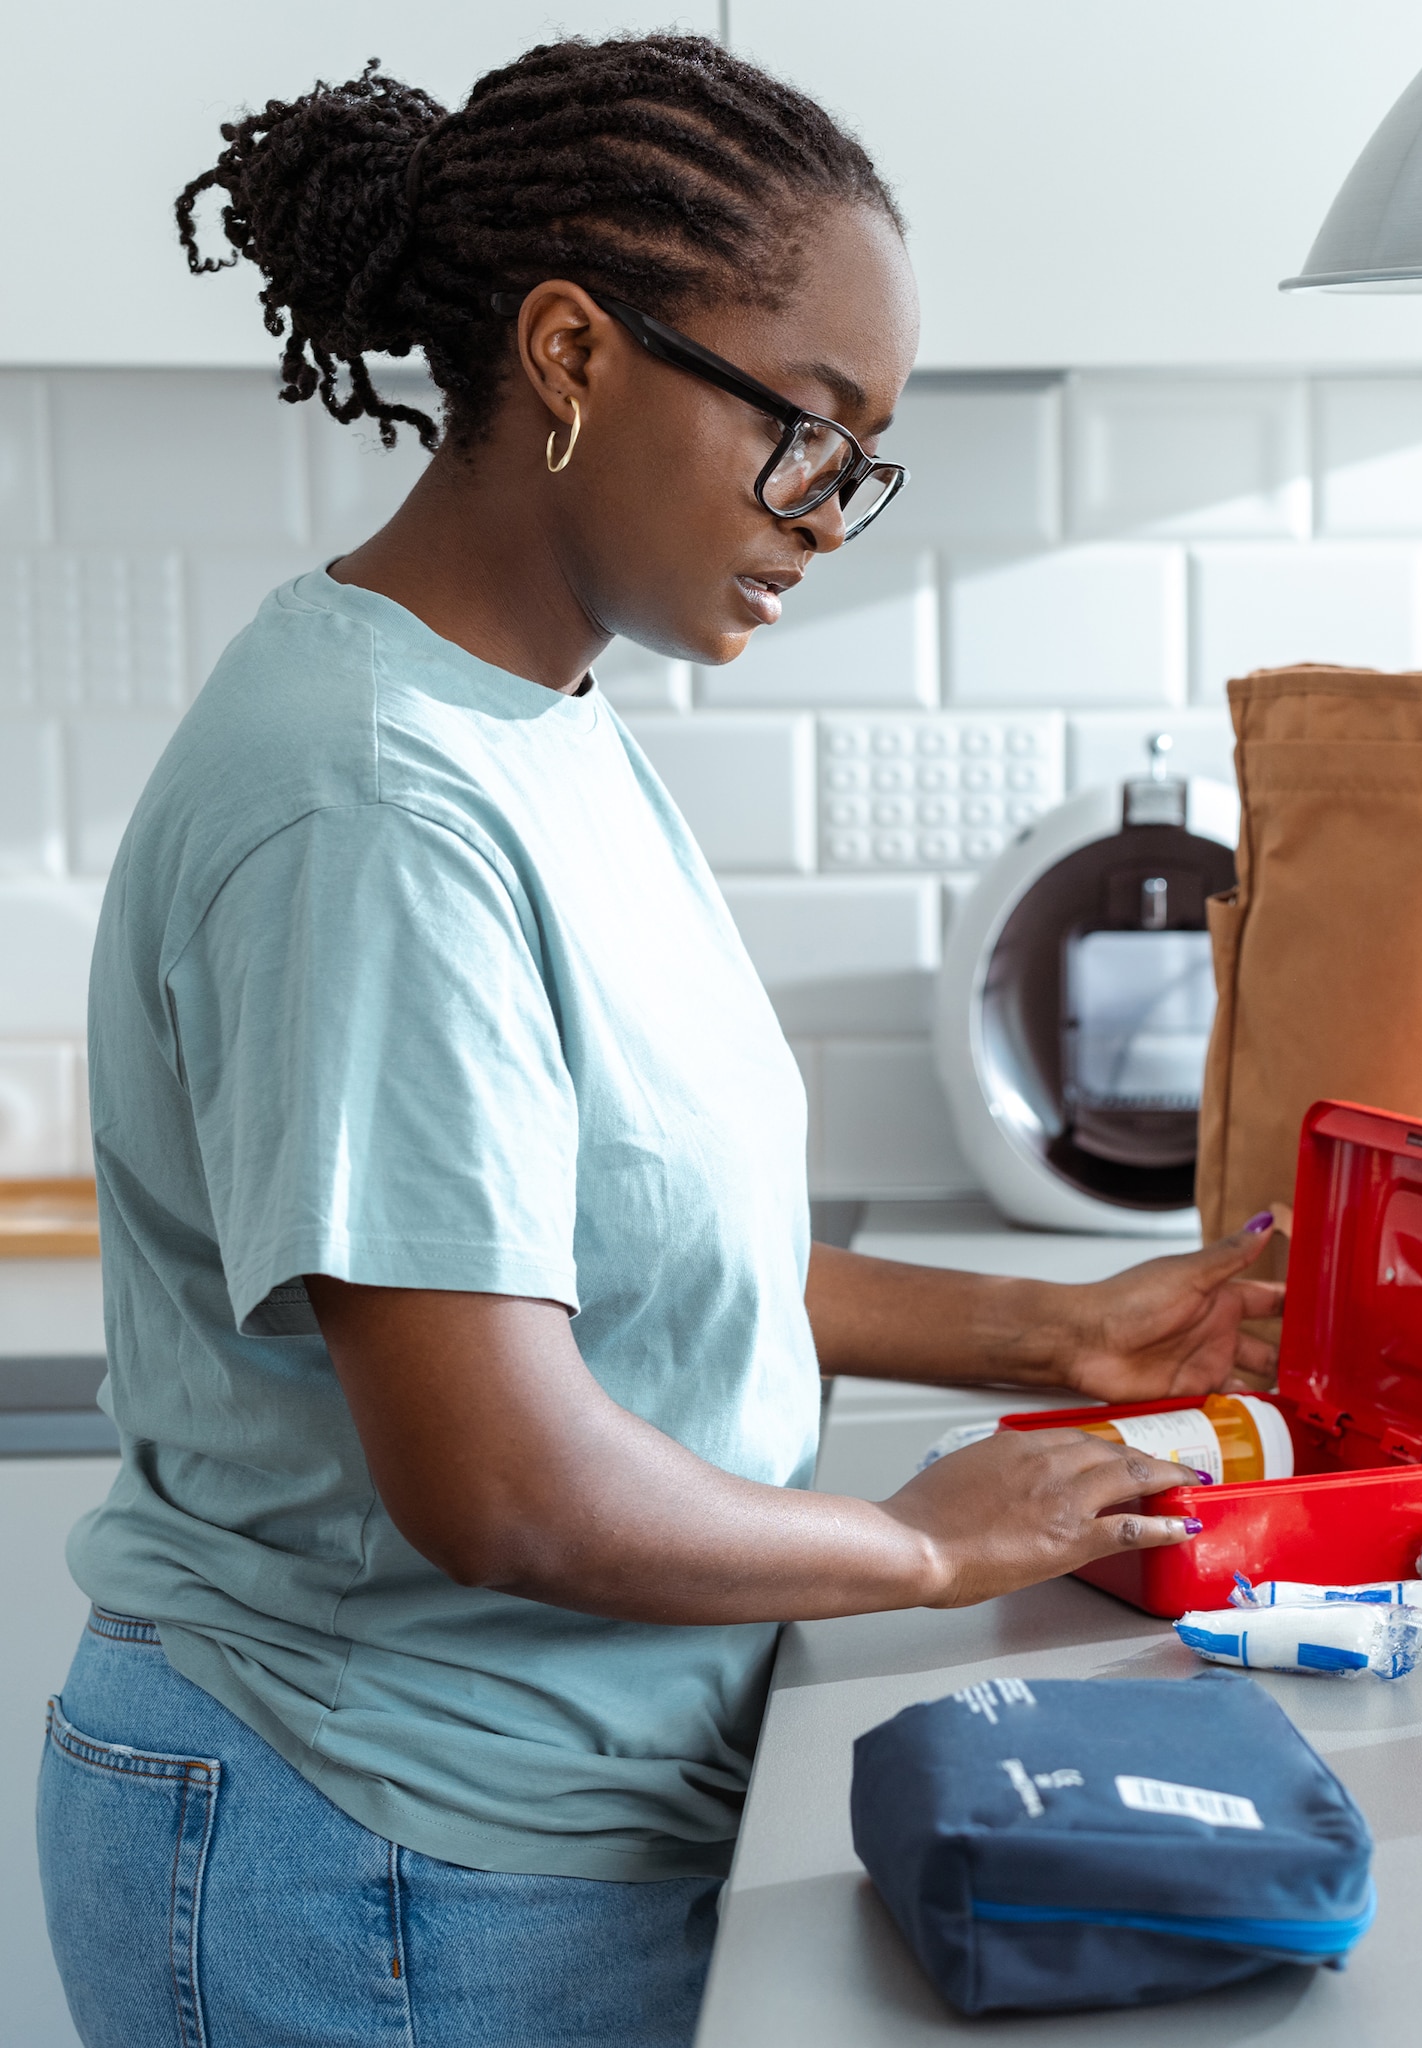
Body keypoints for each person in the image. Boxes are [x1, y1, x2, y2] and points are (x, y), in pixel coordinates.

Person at [36, 35, 1283, 2048]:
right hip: (372, 1849)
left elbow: (598, 1261)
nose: (824, 511)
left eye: (858, 460)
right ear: (568, 351)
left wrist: (1045, 1336)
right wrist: (908, 1540)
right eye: (805, 427)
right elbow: (500, 1476)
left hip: (506, 1827)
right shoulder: (375, 802)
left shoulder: (541, 724)